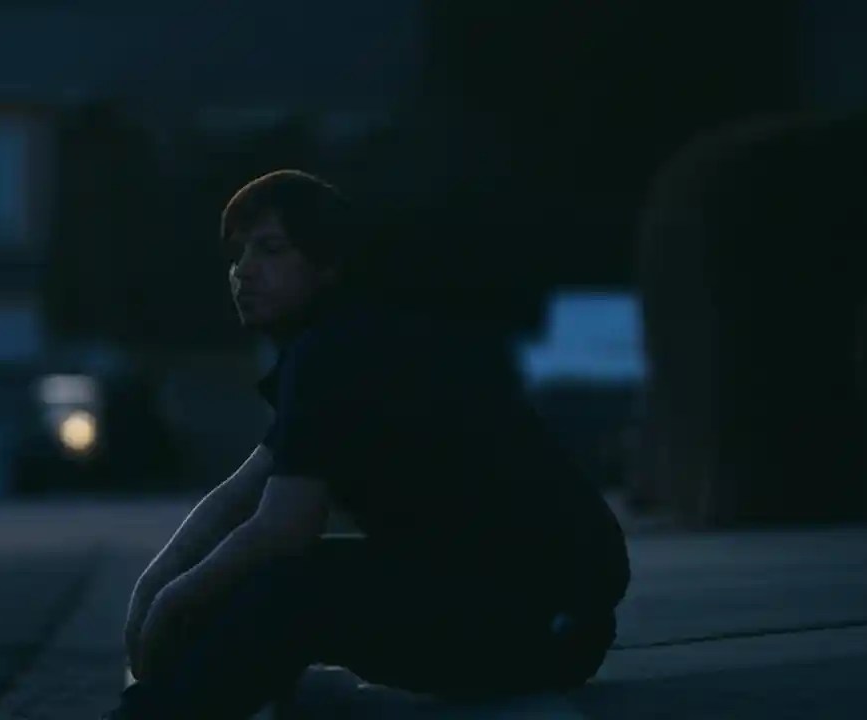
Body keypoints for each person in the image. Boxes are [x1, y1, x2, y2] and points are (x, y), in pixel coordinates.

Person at [105, 170, 630, 719]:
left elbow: (284, 527)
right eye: (238, 255)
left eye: (271, 250)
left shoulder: (340, 350)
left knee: (290, 588)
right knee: (254, 580)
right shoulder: (342, 339)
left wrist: (173, 603)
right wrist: (154, 587)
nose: (244, 272)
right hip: (541, 618)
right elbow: (241, 494)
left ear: (328, 265)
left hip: (540, 625)